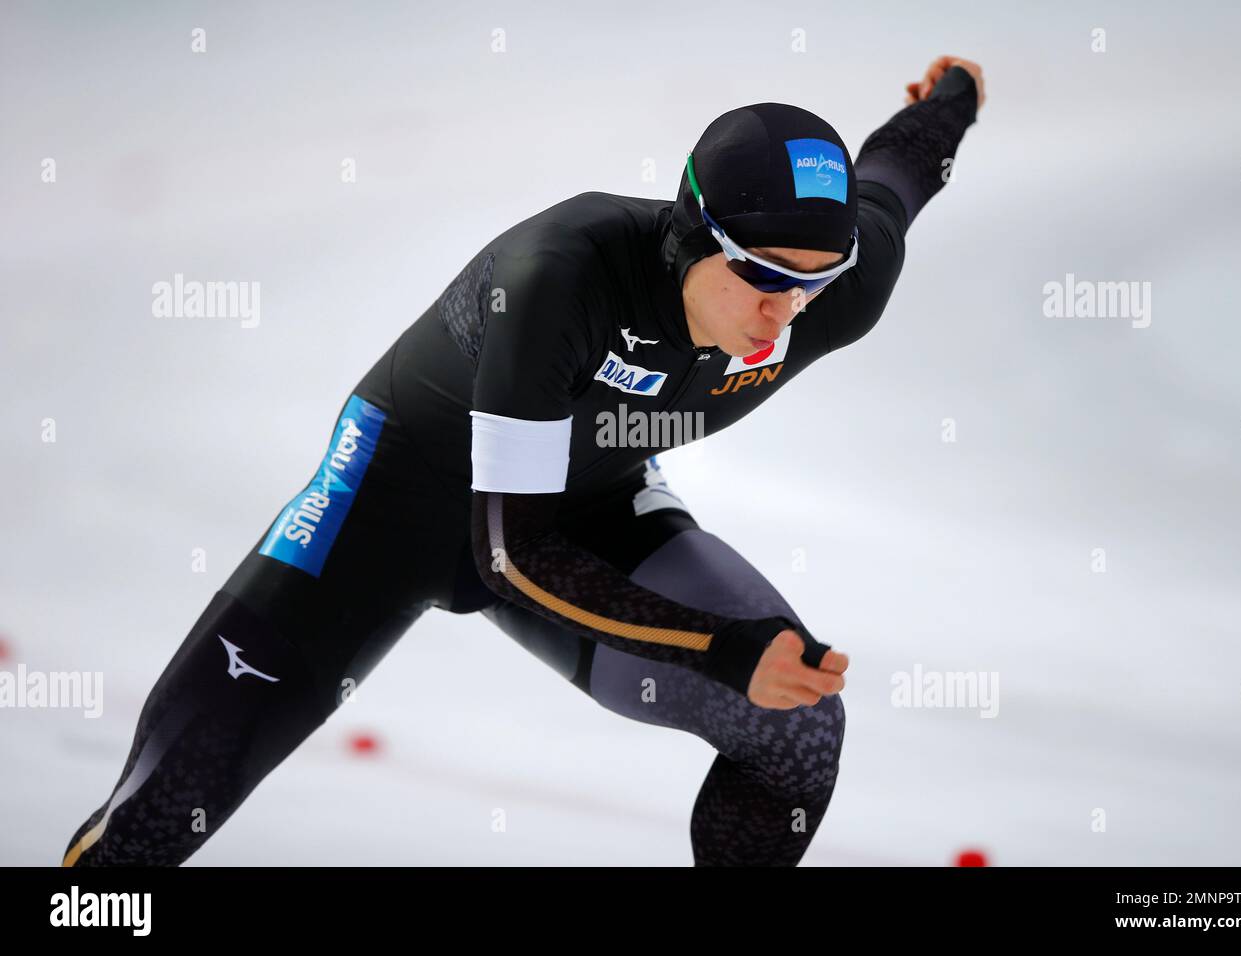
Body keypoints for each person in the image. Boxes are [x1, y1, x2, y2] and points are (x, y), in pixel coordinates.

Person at [63, 56, 985, 867]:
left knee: (797, 724)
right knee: (150, 829)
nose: (785, 311)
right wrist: (723, 647)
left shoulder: (837, 286)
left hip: (589, 502)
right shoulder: (561, 275)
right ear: (692, 231)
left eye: (815, 281)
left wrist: (951, 99)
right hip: (392, 506)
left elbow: (894, 177)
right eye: (762, 274)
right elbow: (509, 556)